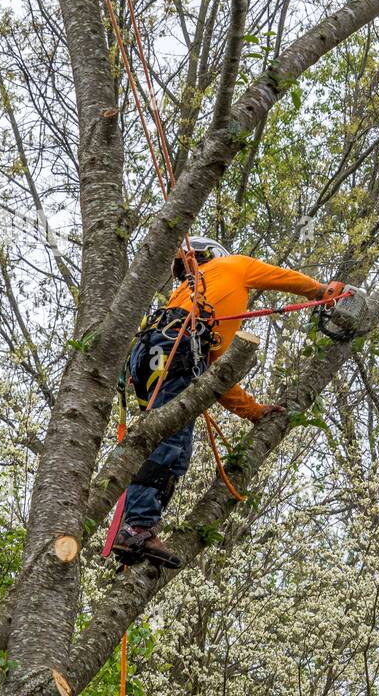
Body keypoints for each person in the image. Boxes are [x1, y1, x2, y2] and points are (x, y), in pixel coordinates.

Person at [112, 236, 343, 568]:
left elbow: (214, 377)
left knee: (174, 450)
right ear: (214, 255)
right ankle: (137, 526)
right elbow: (280, 276)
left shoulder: (188, 297)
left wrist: (252, 410)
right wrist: (319, 291)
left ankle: (138, 531)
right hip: (175, 347)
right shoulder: (233, 265)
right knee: (170, 442)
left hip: (152, 354)